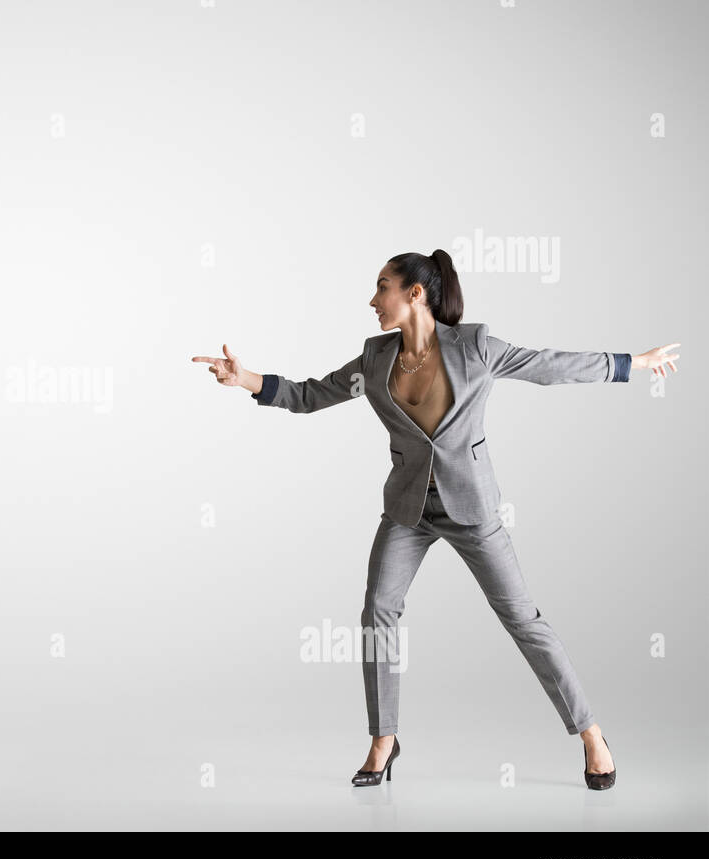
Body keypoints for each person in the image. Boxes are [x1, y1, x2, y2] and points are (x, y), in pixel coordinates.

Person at [192, 249, 680, 790]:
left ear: (416, 294)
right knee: (378, 610)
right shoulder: (375, 359)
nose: (373, 300)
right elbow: (314, 394)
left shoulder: (474, 347)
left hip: (471, 509)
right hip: (408, 510)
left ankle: (590, 733)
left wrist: (629, 364)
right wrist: (247, 380)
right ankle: (384, 739)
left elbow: (546, 365)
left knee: (523, 620)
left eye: (383, 287)